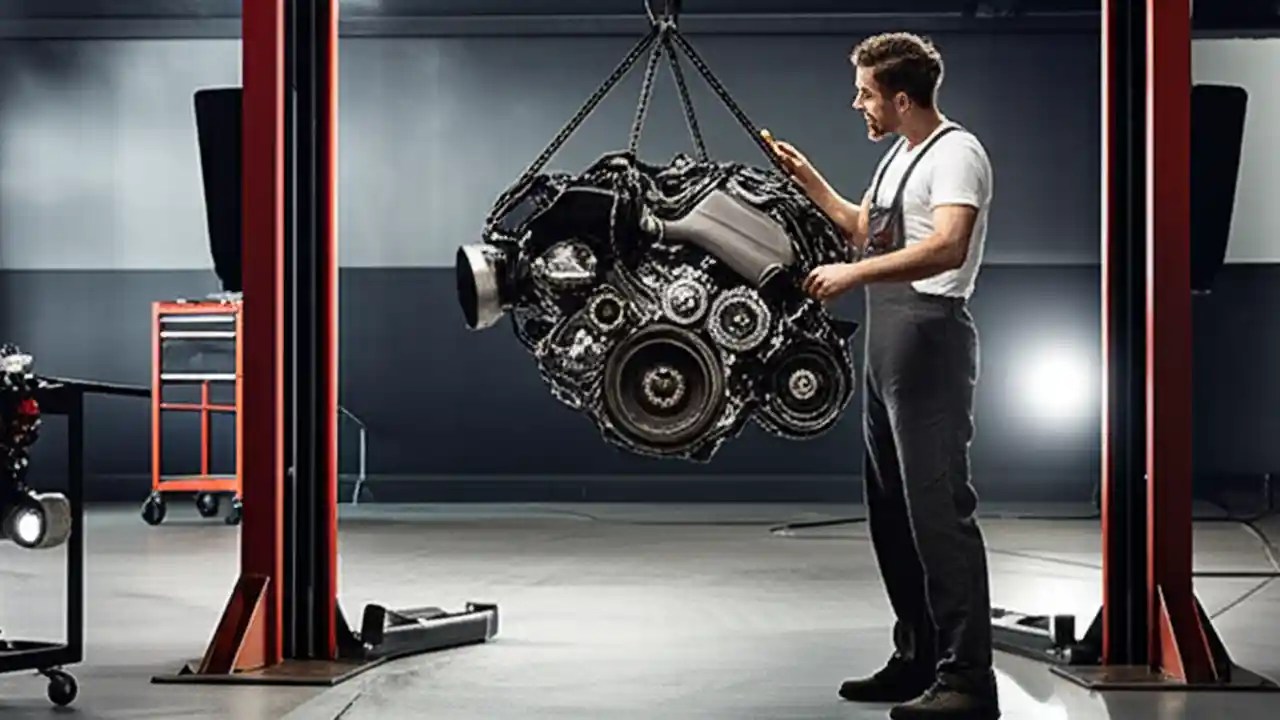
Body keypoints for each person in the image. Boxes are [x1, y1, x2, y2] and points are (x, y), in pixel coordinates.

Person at [766, 32, 999, 720]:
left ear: (901, 98)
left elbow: (947, 244)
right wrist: (807, 179)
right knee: (891, 513)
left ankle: (967, 682)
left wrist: (853, 274)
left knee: (938, 515)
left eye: (866, 93)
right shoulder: (899, 157)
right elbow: (862, 227)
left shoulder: (957, 153)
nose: (857, 104)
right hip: (886, 341)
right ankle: (917, 660)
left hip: (929, 339)